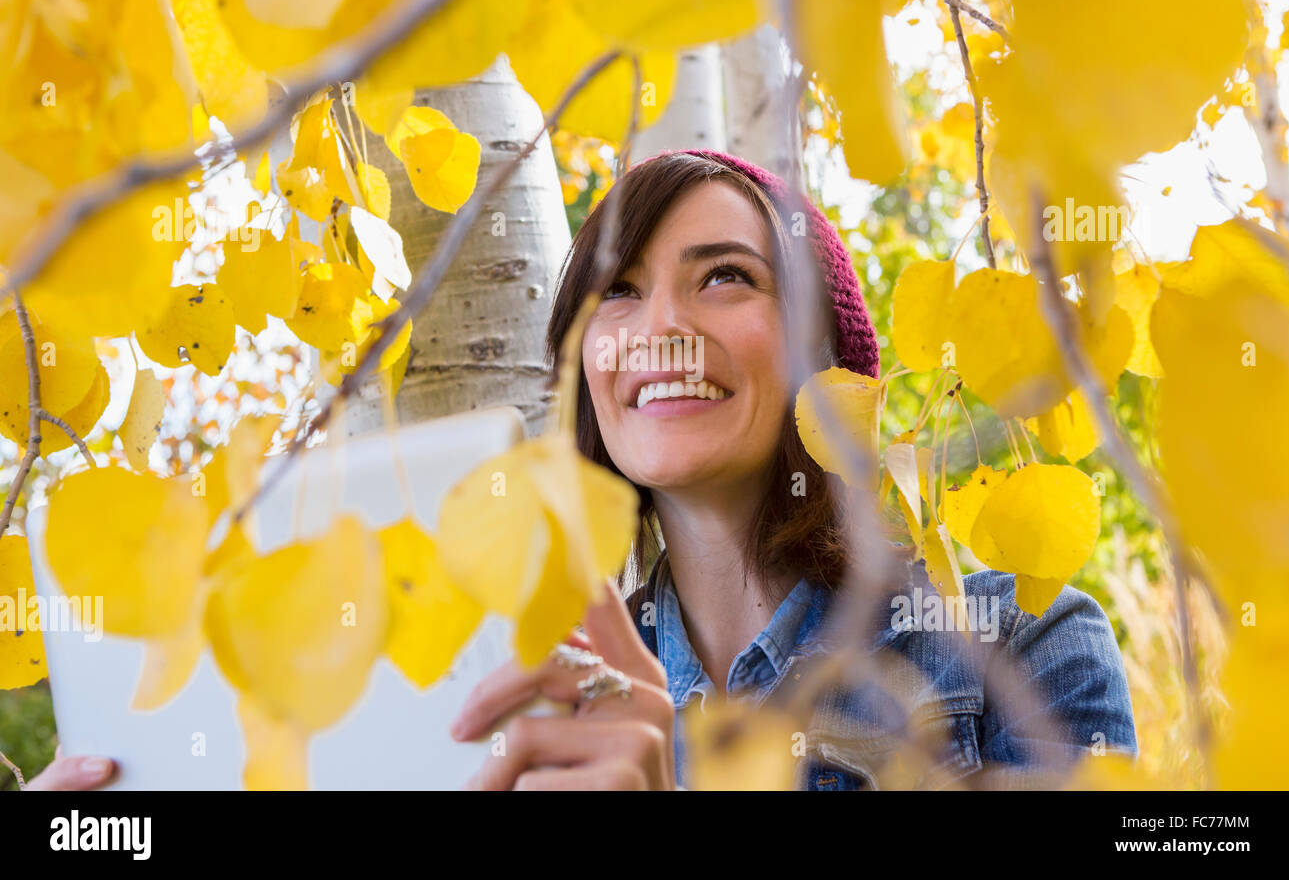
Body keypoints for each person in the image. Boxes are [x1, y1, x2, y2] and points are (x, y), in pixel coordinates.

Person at [30, 148, 1137, 791]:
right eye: (617, 292)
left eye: (724, 277)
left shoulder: (1021, 643)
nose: (658, 329)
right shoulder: (509, 677)